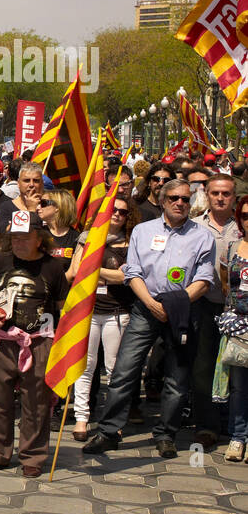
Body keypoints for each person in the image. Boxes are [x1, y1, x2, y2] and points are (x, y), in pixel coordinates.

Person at [83, 178, 217, 458]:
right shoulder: (143, 231)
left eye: (184, 199)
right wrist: (152, 304)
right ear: (163, 199)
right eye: (174, 199)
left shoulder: (203, 236)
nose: (180, 203)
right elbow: (132, 272)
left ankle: (166, 434)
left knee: (177, 379)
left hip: (182, 310)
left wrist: (175, 303)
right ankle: (109, 432)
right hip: (146, 307)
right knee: (123, 371)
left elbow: (204, 280)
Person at [0, 211, 68, 476]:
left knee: (36, 402)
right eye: (14, 237)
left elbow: (62, 307)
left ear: (39, 239)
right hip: (2, 339)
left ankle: (33, 457)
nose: (18, 242)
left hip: (38, 341)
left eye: (24, 238)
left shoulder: (53, 267)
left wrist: (63, 341)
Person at [67, 195, 137, 441]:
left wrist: (93, 270)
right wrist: (99, 272)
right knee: (84, 367)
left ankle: (112, 420)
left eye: (123, 211)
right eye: (113, 210)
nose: (117, 214)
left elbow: (123, 277)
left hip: (117, 314)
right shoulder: (88, 238)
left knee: (115, 370)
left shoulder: (130, 242)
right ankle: (82, 419)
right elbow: (75, 271)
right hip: (88, 311)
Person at [190, 173, 242, 446]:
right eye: (215, 193)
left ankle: (233, 424)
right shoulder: (194, 227)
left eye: (226, 194)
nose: (220, 198)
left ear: (234, 197)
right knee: (204, 365)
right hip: (204, 305)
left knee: (237, 368)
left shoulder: (241, 228)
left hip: (239, 311)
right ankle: (206, 423)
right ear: (206, 194)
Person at [222, 202, 248, 461]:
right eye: (246, 216)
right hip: (239, 325)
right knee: (239, 386)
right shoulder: (232, 248)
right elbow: (224, 280)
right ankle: (238, 437)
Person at [39, 188, 78, 277]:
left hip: (64, 288)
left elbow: (72, 273)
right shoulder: (38, 233)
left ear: (57, 207)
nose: (38, 207)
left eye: (43, 203)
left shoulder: (76, 238)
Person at [0, 160, 43, 229]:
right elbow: (6, 236)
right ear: (18, 183)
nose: (31, 184)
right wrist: (31, 211)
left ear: (42, 183)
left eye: (36, 181)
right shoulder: (6, 208)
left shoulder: (50, 206)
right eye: (26, 180)